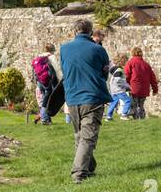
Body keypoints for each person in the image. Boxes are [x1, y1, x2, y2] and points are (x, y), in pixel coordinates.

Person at [60, 18, 112, 183]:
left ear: (75, 31)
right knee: (88, 138)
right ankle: (78, 173)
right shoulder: (98, 50)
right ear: (90, 31)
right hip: (92, 96)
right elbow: (104, 74)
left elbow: (64, 70)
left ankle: (88, 168)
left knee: (79, 135)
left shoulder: (64, 49)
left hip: (72, 98)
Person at [124, 47, 159, 120]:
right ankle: (142, 118)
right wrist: (155, 89)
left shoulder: (130, 63)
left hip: (134, 88)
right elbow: (153, 78)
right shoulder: (146, 65)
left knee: (134, 105)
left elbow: (126, 76)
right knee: (141, 105)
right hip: (144, 89)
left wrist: (124, 86)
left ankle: (136, 118)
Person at [30, 45, 58, 125]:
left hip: (40, 81)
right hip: (48, 81)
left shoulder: (38, 57)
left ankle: (47, 119)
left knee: (44, 99)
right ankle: (44, 119)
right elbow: (57, 69)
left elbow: (34, 70)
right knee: (46, 101)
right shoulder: (51, 57)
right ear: (52, 50)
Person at [105, 57, 132, 121]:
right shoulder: (119, 70)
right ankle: (124, 115)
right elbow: (118, 80)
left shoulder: (114, 70)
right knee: (127, 100)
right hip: (119, 90)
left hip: (113, 90)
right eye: (126, 61)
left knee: (114, 102)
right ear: (123, 62)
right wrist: (127, 86)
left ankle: (109, 116)